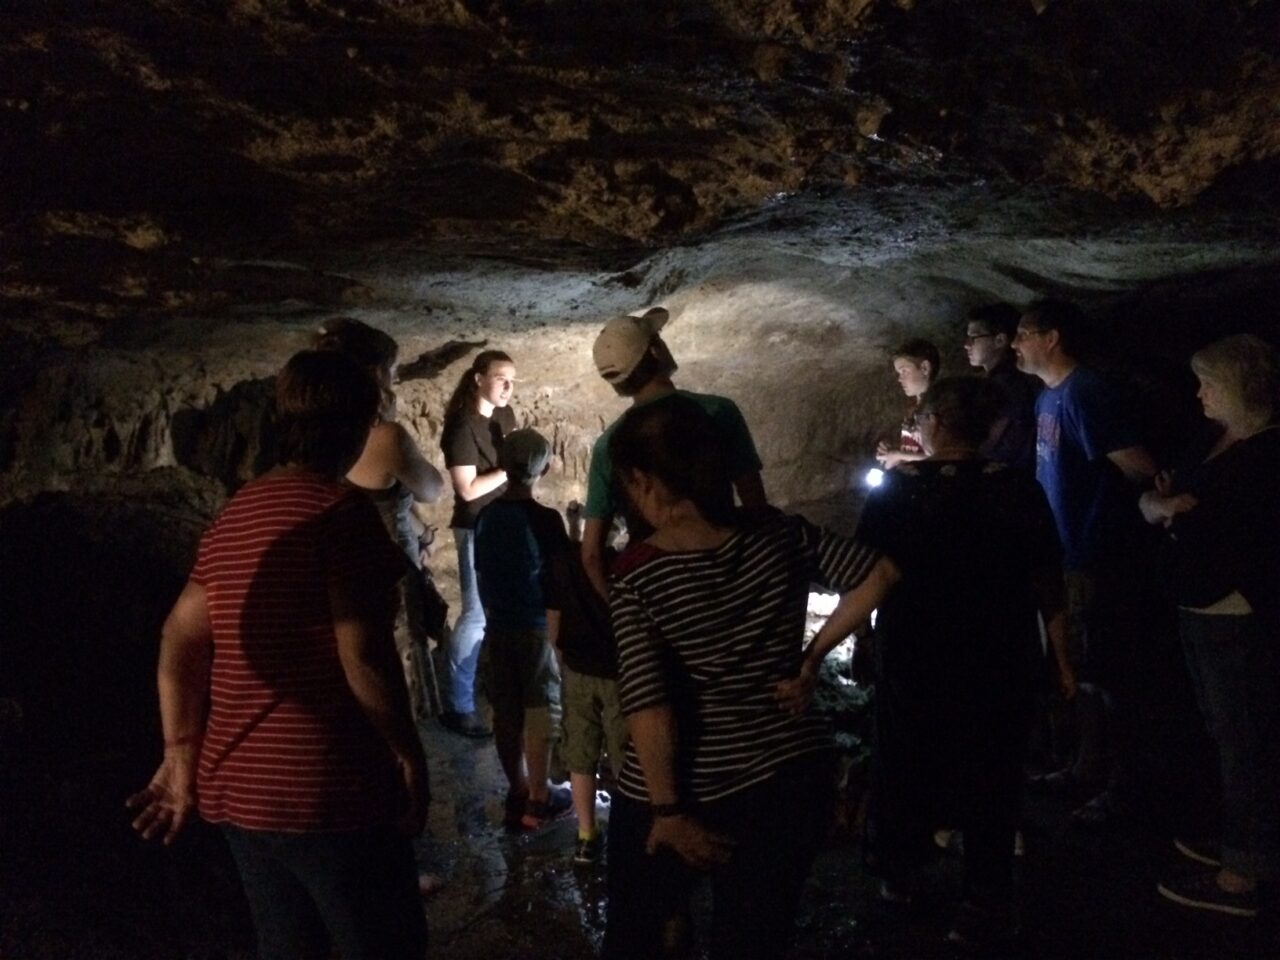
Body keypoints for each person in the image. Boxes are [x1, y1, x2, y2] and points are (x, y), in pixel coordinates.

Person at [127, 350, 429, 960]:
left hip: (239, 791)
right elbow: (364, 654)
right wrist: (406, 751)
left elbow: (180, 638)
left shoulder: (235, 513)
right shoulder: (340, 513)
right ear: (358, 426)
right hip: (328, 787)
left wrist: (180, 752)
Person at [602, 396, 886, 960]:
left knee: (638, 935)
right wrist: (812, 657)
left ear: (643, 481)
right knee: (754, 939)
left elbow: (648, 702)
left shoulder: (639, 575)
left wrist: (668, 812)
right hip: (786, 778)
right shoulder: (779, 532)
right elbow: (879, 574)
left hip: (689, 789)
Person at [794, 377, 1072, 948]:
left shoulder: (901, 491)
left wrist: (849, 642)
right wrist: (1062, 658)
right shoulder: (1017, 489)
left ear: (937, 423)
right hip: (999, 655)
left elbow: (868, 573)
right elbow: (1048, 580)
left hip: (916, 652)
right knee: (992, 772)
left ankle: (900, 871)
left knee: (906, 760)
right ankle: (984, 896)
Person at [1137, 334, 1280, 918]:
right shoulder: (1214, 438)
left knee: (1247, 738)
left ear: (1243, 389)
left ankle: (1244, 873)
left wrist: (1173, 512)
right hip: (1201, 606)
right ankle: (1242, 842)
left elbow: (1236, 532)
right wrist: (1164, 508)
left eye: (1210, 384)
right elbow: (1162, 499)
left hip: (1236, 614)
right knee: (1225, 733)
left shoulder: (1267, 455)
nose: (1199, 394)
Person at [1014, 299, 1158, 825]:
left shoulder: (1087, 392)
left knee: (1107, 670)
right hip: (1064, 551)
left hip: (1093, 552)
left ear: (1052, 338)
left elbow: (1138, 465)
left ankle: (1125, 786)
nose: (1015, 344)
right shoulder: (1047, 397)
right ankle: (1086, 767)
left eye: (1023, 334)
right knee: (1081, 669)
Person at [582, 306, 766, 602]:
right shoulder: (717, 412)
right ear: (656, 351)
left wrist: (623, 611)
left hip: (655, 588)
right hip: (724, 578)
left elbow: (591, 555)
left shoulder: (609, 444)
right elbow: (757, 508)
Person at [314, 318, 446, 717]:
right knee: (389, 680)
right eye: (393, 370)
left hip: (334, 567)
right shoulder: (385, 437)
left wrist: (421, 529)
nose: (396, 378)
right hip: (386, 564)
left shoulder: (316, 434)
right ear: (375, 374)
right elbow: (432, 489)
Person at [473, 428, 573, 830]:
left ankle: (516, 790)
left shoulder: (486, 517)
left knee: (506, 711)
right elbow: (559, 582)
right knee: (539, 708)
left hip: (498, 626)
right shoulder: (545, 520)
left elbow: (481, 574)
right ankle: (539, 797)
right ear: (543, 470)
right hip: (535, 628)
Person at [439, 350, 518, 737]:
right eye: (501, 378)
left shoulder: (505, 417)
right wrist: (512, 469)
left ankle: (502, 693)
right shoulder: (461, 427)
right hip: (476, 526)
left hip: (505, 521)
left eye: (513, 381)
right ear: (478, 378)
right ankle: (458, 706)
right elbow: (467, 490)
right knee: (476, 616)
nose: (508, 387)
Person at [544, 502, 627, 865]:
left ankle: (586, 835)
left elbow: (553, 622)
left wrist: (563, 658)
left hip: (578, 668)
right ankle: (628, 831)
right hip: (618, 671)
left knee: (580, 754)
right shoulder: (624, 566)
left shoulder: (562, 563)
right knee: (625, 753)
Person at [964, 303, 1042, 470]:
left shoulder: (1006, 382)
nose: (967, 345)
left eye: (974, 338)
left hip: (1008, 472)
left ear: (999, 340)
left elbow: (992, 437)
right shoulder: (1007, 378)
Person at [876, 338, 940, 470]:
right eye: (899, 373)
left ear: (925, 368)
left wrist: (897, 455)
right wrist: (893, 451)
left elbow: (939, 456)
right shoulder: (912, 410)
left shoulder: (940, 408)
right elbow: (916, 451)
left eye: (904, 371)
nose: (900, 379)